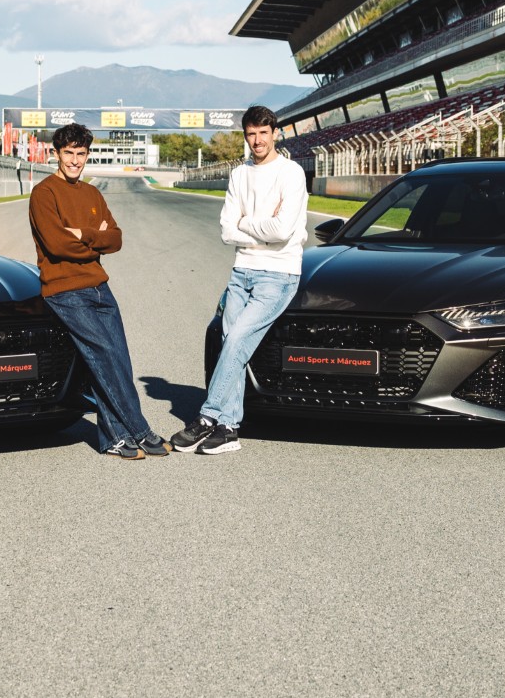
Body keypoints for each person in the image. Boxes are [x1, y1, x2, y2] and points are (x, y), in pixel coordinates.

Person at [28, 123, 169, 459]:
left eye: (81, 154)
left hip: (99, 287)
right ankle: (139, 429)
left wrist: (82, 234)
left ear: (87, 154)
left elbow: (116, 238)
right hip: (64, 290)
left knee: (117, 360)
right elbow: (58, 244)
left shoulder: (92, 194)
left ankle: (113, 437)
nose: (75, 161)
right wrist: (95, 239)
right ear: (56, 154)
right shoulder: (44, 193)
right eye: (69, 153)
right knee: (104, 356)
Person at [172, 105, 307, 455]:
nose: (258, 140)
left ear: (275, 134)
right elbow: (226, 230)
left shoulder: (291, 173)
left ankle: (207, 416)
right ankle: (229, 427)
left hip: (278, 274)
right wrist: (254, 226)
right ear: (245, 136)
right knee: (229, 342)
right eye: (251, 134)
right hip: (241, 270)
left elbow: (282, 231)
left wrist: (247, 222)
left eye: (264, 133)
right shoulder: (239, 175)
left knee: (236, 344)